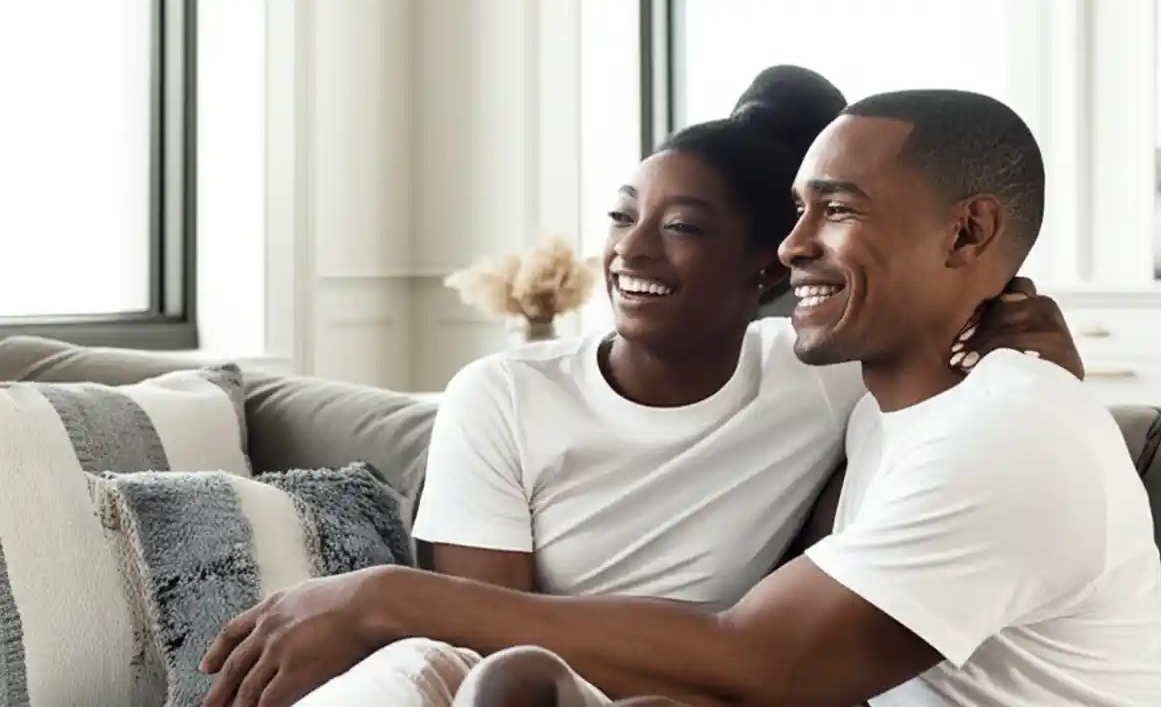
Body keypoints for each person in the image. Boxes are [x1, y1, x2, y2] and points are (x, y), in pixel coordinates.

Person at [198, 84, 1096, 707]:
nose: (631, 250)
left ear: (757, 262)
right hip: (524, 678)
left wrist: (1025, 339)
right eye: (623, 216)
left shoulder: (828, 381)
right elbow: (477, 649)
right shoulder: (507, 395)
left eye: (684, 227)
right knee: (472, 677)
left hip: (666, 678)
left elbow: (950, 331)